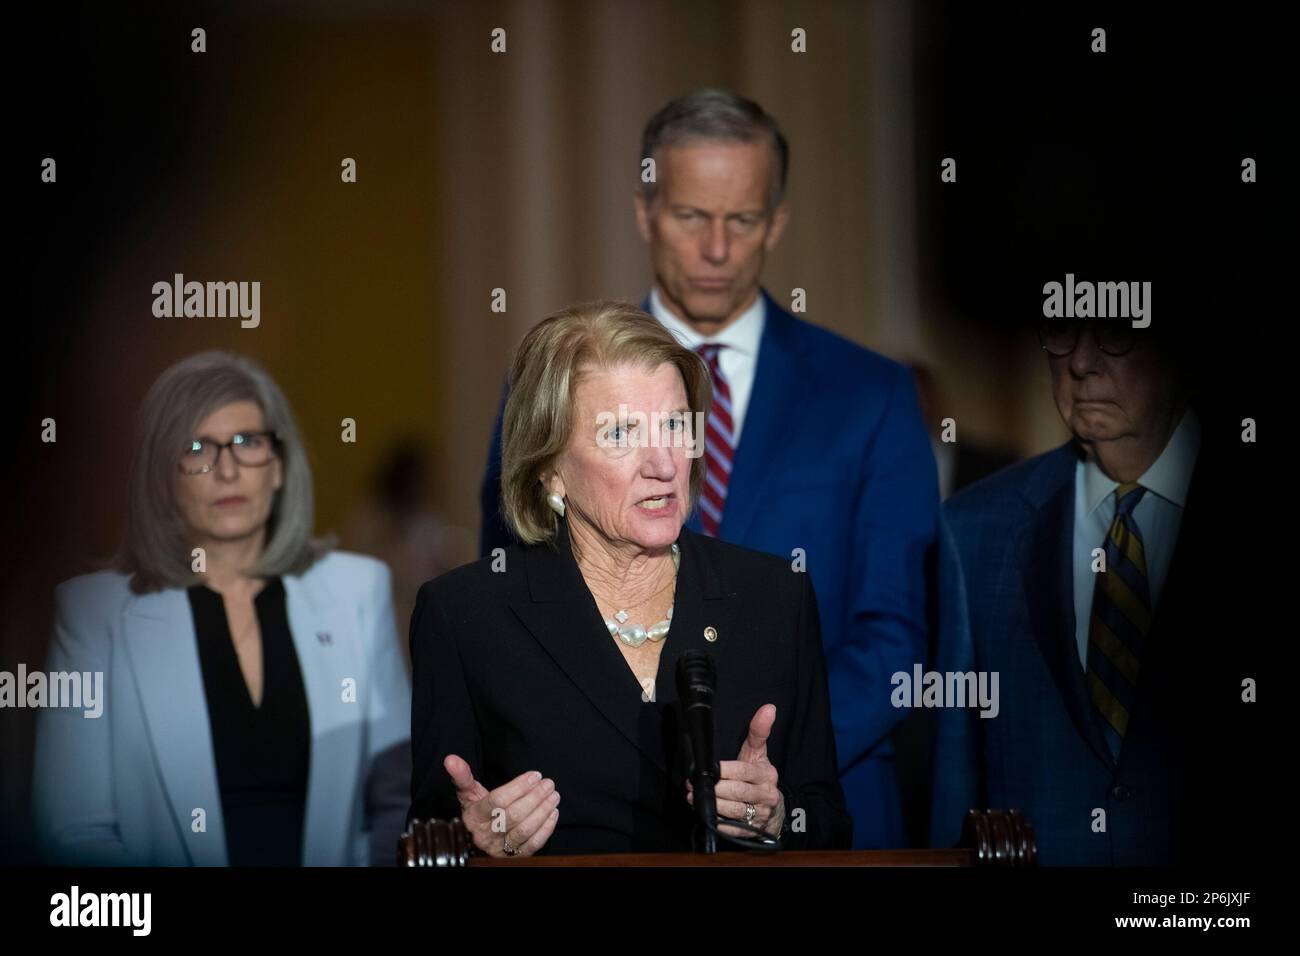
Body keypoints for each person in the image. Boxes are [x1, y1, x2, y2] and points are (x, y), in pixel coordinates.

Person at [478, 88, 936, 849]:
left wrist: (765, 770)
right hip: (602, 820)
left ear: (777, 221)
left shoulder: (872, 396)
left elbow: (895, 637)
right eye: (692, 217)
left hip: (819, 815)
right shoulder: (549, 384)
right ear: (644, 213)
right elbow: (513, 602)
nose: (717, 249)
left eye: (743, 220)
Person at [411, 301, 851, 855]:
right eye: (620, 433)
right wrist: (474, 842)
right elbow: (426, 840)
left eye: (674, 424)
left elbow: (830, 820)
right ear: (550, 468)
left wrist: (781, 817)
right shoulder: (466, 615)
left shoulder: (773, 595)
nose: (663, 463)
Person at [32, 351, 411, 866]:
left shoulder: (358, 589)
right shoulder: (91, 614)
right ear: (162, 476)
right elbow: (75, 831)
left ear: (278, 467)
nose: (228, 470)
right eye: (197, 448)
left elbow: (395, 799)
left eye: (248, 443)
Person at [929, 320, 1262, 864]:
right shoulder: (975, 528)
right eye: (1062, 333)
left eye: (1115, 333)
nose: (1081, 363)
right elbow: (955, 783)